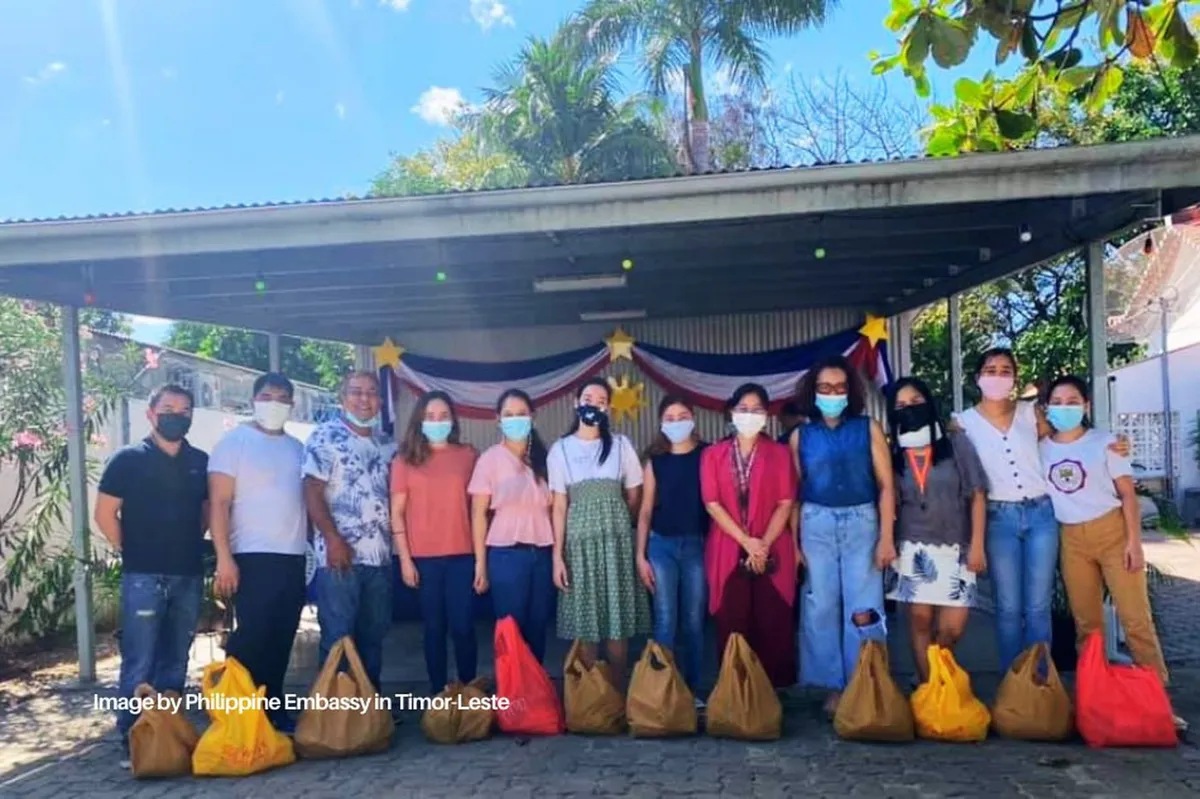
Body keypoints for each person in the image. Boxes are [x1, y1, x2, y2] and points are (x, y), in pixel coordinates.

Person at [952, 348, 1128, 675]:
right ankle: (1013, 683)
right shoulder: (962, 423)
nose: (998, 376)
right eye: (991, 369)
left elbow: (1067, 444)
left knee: (1037, 606)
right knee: (1007, 607)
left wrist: (1112, 444)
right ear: (978, 378)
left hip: (1041, 515)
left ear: (1015, 379)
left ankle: (1042, 684)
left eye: (1006, 370)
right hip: (998, 518)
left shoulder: (1031, 413)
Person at [1040, 376, 1186, 731]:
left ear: (1086, 406)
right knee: (1086, 625)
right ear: (1047, 407)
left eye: (1072, 400)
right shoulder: (1041, 446)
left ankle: (1159, 704)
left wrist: (1134, 543)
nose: (1065, 407)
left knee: (1136, 619)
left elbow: (1128, 495)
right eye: (1057, 401)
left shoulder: (1105, 444)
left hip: (1112, 531)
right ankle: (1094, 701)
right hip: (1071, 538)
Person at [94, 384, 208, 768]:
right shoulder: (127, 460)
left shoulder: (200, 461)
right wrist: (134, 550)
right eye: (169, 407)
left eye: (185, 409)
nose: (178, 415)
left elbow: (206, 513)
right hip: (143, 576)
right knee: (140, 660)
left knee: (176, 659)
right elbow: (105, 515)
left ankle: (169, 733)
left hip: (188, 575)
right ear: (151, 413)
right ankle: (133, 736)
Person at [790, 355, 894, 717]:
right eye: (824, 388)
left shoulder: (868, 428)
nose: (832, 393)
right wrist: (793, 544)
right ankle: (832, 686)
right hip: (815, 523)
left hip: (862, 521)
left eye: (839, 387)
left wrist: (887, 537)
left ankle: (865, 680)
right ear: (813, 393)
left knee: (863, 607)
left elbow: (886, 486)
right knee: (821, 606)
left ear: (850, 391)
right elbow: (794, 493)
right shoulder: (801, 435)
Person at [208, 372, 307, 732]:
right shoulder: (234, 443)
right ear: (253, 400)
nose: (274, 404)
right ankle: (237, 711)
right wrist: (224, 557)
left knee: (282, 637)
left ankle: (274, 711)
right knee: (253, 637)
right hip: (251, 555)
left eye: (282, 397)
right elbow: (219, 503)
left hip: (293, 556)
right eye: (267, 396)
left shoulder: (298, 449)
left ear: (291, 405)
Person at [884, 377, 988, 683]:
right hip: (911, 547)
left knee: (951, 629)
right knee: (919, 622)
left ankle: (939, 677)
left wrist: (978, 545)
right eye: (901, 406)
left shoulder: (956, 444)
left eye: (916, 402)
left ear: (929, 403)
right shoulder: (894, 453)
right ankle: (928, 687)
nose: (909, 409)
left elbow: (978, 494)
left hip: (958, 546)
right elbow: (887, 499)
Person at [549, 377, 650, 688]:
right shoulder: (560, 449)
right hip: (578, 547)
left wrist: (617, 523)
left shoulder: (621, 446)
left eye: (601, 399)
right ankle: (592, 697)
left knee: (616, 623)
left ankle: (618, 692)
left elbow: (635, 496)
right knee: (587, 623)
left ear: (608, 407)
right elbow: (559, 506)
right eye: (588, 397)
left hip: (616, 542)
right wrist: (557, 557)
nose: (593, 403)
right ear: (577, 403)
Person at [303, 371, 396, 693]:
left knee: (373, 638)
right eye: (356, 392)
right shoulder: (324, 436)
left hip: (380, 559)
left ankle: (369, 713)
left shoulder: (387, 444)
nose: (364, 399)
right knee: (338, 639)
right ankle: (332, 718)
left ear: (380, 402)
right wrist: (332, 539)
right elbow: (312, 490)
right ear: (343, 398)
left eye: (371, 393)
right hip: (339, 558)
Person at [701, 383, 798, 689]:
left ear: (767, 415)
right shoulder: (713, 454)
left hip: (772, 548)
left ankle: (771, 698)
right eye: (743, 409)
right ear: (732, 412)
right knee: (732, 621)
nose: (749, 415)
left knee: (772, 622)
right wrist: (747, 542)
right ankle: (735, 692)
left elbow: (786, 502)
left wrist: (763, 545)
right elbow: (711, 503)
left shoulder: (780, 453)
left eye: (757, 409)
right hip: (728, 548)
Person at [390, 390, 479, 694]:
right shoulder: (404, 460)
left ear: (453, 420)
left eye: (443, 416)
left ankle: (469, 694)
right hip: (423, 560)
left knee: (464, 627)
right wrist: (404, 559)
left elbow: (479, 510)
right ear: (420, 420)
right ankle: (438, 694)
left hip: (462, 556)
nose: (437, 421)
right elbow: (397, 513)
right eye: (430, 416)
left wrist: (482, 560)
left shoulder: (468, 455)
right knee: (434, 630)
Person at [468, 389, 556, 662]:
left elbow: (556, 510)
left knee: (538, 627)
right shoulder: (489, 459)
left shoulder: (546, 459)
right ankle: (511, 696)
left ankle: (534, 697)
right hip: (507, 555)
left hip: (542, 554)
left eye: (521, 414)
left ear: (532, 417)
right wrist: (480, 564)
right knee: (510, 630)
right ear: (498, 419)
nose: (515, 419)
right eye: (508, 414)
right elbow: (478, 514)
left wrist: (559, 557)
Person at [636, 395, 708, 699]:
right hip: (661, 545)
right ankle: (663, 691)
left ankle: (694, 689)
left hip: (698, 545)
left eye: (682, 416)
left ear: (692, 419)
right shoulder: (655, 461)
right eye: (670, 418)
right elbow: (645, 510)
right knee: (665, 618)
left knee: (694, 619)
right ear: (661, 424)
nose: (676, 423)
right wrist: (640, 556)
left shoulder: (709, 455)